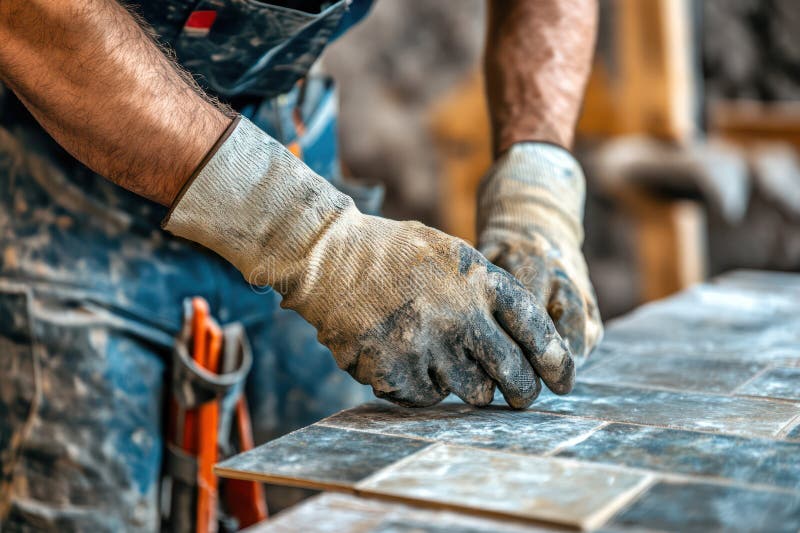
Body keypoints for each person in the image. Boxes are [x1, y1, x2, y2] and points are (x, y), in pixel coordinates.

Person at [0, 0, 601, 529]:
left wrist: (535, 191)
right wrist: (317, 242)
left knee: (344, 502)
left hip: (289, 141)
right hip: (53, 157)